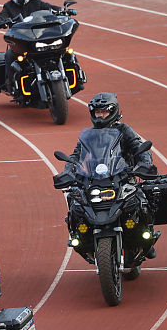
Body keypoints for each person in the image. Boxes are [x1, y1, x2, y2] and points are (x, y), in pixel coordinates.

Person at [62, 92, 158, 255]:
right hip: (94, 179)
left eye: (103, 112)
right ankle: (79, 235)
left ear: (112, 111)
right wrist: (68, 170)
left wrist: (144, 164)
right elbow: (77, 155)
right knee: (75, 200)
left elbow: (139, 147)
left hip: (123, 176)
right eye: (97, 112)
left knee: (141, 199)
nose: (100, 115)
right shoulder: (88, 134)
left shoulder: (124, 130)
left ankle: (146, 236)